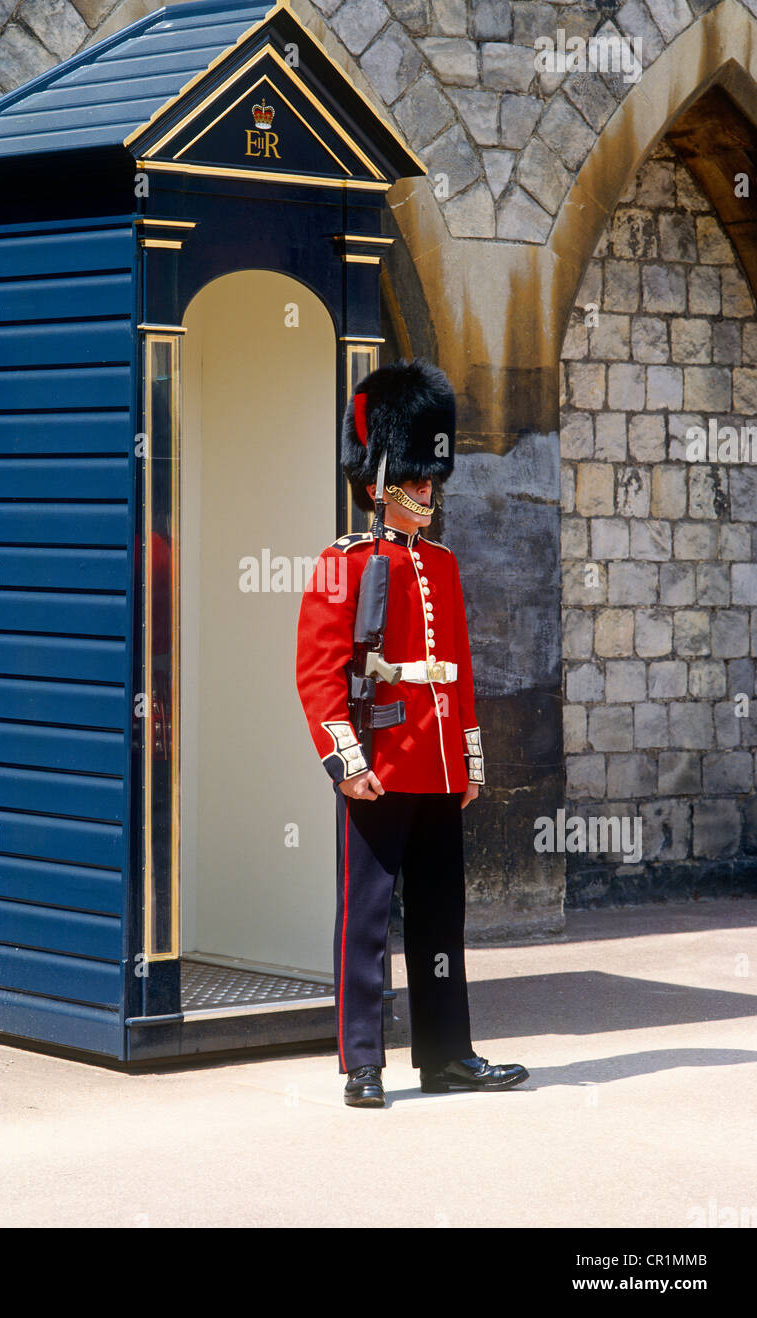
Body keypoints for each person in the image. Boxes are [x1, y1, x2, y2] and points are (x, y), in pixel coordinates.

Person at [295, 358, 529, 1108]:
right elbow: (318, 675)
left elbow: (457, 671)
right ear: (379, 481)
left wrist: (468, 764)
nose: (428, 491)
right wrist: (345, 761)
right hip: (381, 764)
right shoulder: (344, 564)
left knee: (439, 917)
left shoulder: (444, 565)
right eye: (416, 479)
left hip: (434, 768)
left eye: (433, 479)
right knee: (364, 918)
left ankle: (445, 1055)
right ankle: (362, 1061)